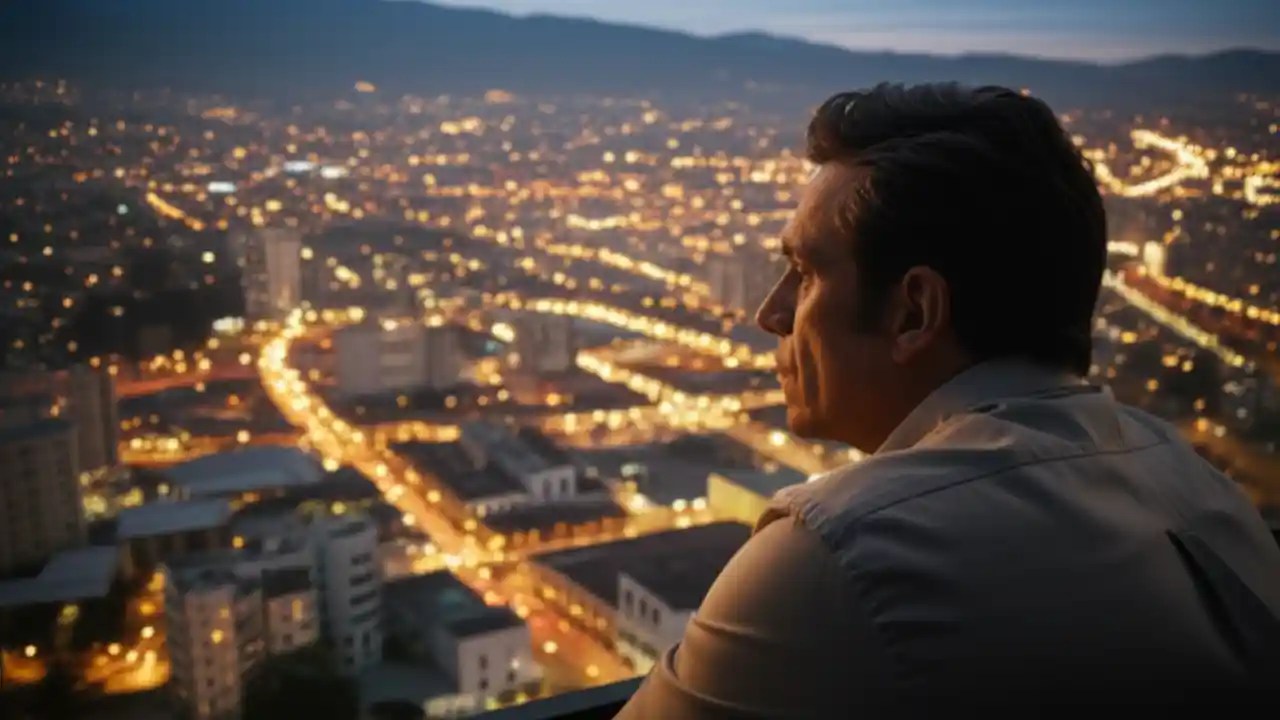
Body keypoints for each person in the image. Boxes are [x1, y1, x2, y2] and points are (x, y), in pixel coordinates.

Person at [615, 83, 1280, 717]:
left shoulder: (839, 557)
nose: (772, 313)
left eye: (805, 273)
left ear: (914, 312)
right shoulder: (1208, 496)